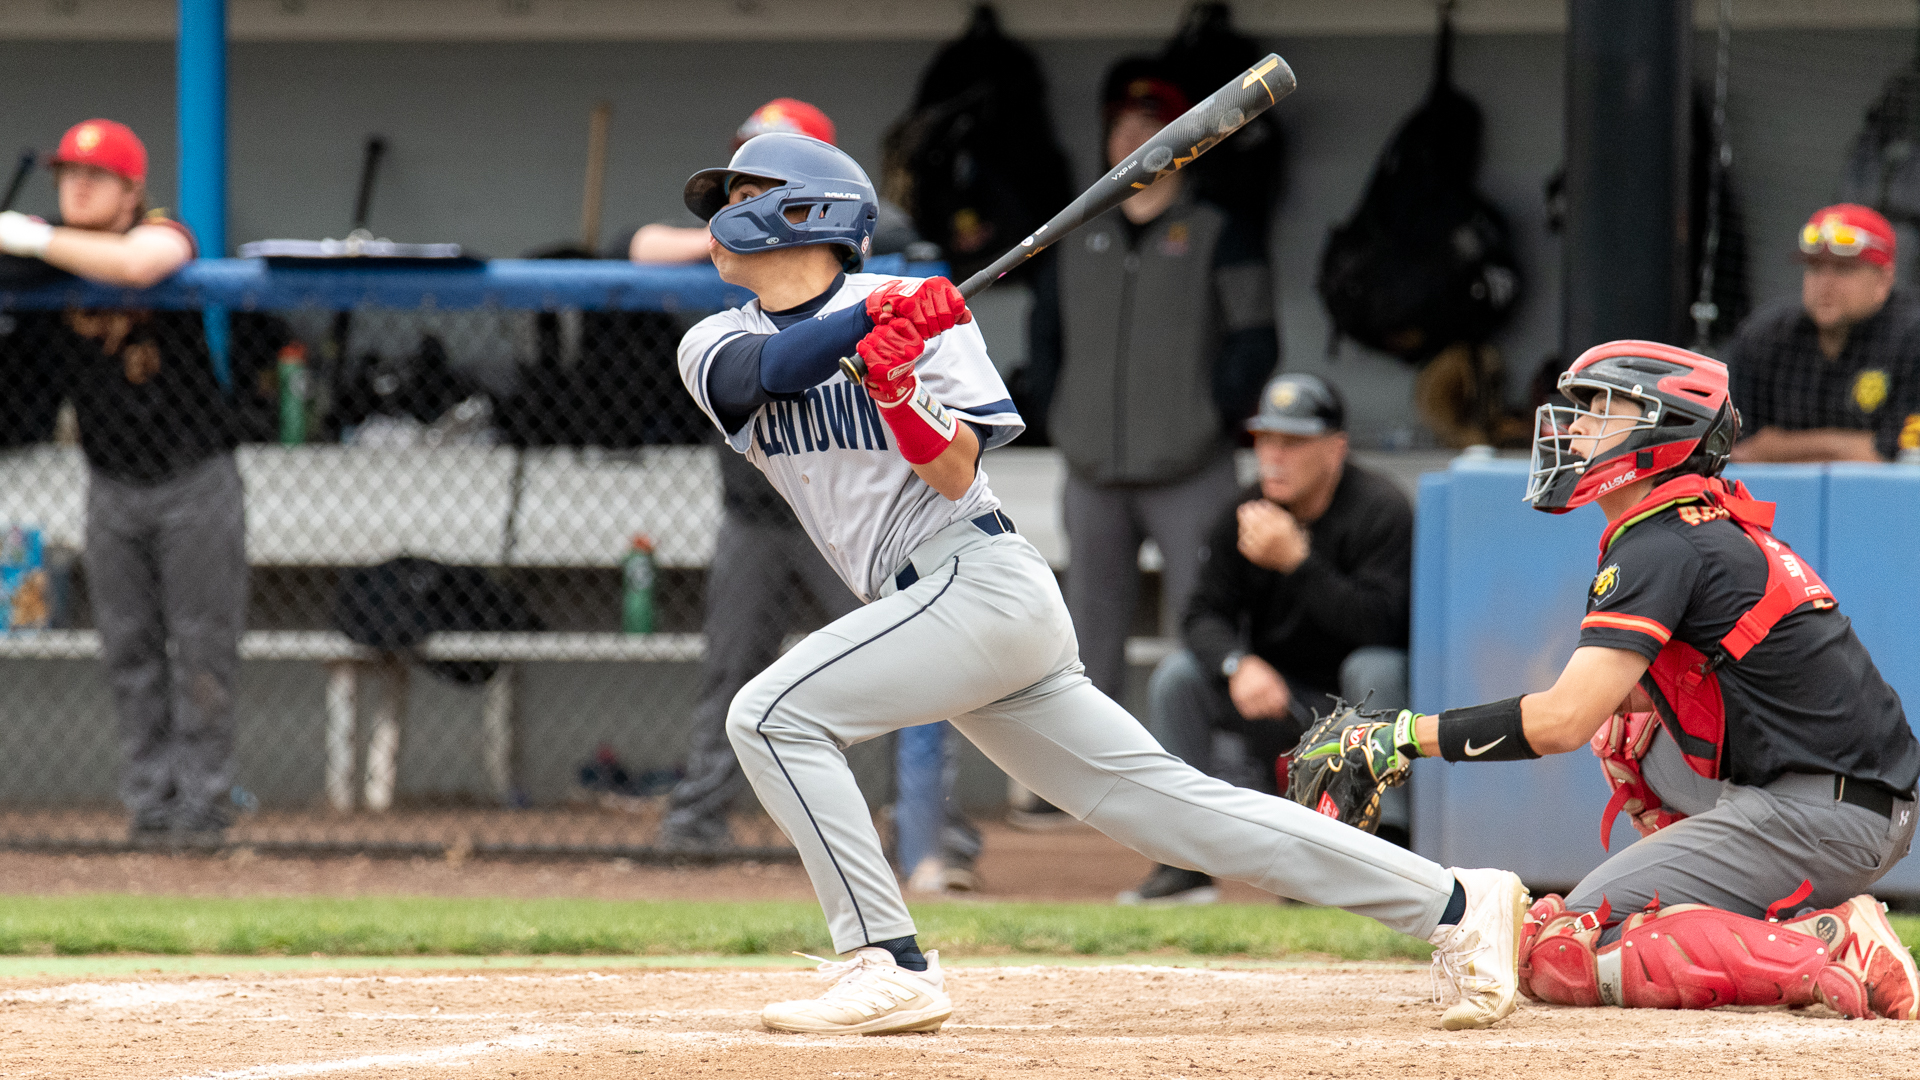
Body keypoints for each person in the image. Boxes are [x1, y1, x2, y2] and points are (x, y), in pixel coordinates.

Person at [673, 129, 1527, 1036]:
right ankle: (1457, 902)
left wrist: (898, 389)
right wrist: (865, 333)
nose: (714, 223)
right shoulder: (717, 338)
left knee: (770, 715)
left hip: (978, 582)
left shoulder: (918, 311)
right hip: (926, 611)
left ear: (801, 211)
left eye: (735, 197)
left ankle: (886, 961)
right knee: (1174, 815)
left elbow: (956, 471)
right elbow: (764, 374)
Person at [1298, 339, 1919, 1019]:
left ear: (1662, 427)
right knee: (1628, 725)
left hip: (1822, 813)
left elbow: (1561, 720)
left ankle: (1824, 946)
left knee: (1554, 952)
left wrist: (1401, 737)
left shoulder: (1661, 542)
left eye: (1602, 409)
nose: (1577, 427)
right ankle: (1734, 908)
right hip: (1844, 798)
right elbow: (1597, 707)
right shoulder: (1693, 521)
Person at [639, 101, 980, 888]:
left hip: (866, 518)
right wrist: (735, 233)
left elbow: (905, 259)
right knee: (735, 676)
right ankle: (698, 821)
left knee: (916, 670)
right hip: (756, 511)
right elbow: (648, 250)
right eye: (738, 181)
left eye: (763, 181)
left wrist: (892, 297)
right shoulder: (720, 312)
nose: (740, 205)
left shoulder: (877, 235)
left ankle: (936, 836)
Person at [0, 119, 245, 843]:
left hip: (194, 476)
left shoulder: (164, 233)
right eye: (68, 173)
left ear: (131, 189)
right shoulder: (45, 250)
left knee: (202, 648)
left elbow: (142, 265)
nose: (76, 185)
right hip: (110, 483)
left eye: (95, 175)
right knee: (129, 651)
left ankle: (203, 809)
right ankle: (150, 808)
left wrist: (30, 238)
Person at [1025, 62, 1280, 703]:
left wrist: (1211, 419)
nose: (1135, 140)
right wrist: (1064, 418)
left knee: (1205, 623)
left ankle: (1205, 779)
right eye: (1124, 128)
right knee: (1085, 635)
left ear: (1184, 139)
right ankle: (1091, 786)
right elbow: (1043, 339)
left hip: (1192, 469)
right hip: (1092, 470)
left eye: (1152, 127)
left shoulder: (1222, 231)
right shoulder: (1073, 231)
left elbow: (1255, 341)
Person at [1119, 372, 1413, 906]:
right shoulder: (1243, 512)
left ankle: (1385, 843)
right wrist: (1238, 664)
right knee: (1178, 679)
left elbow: (1384, 624)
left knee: (1376, 665)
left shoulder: (1381, 510)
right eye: (1265, 440)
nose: (1273, 456)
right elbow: (1202, 616)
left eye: (1293, 442)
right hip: (1280, 700)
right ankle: (1181, 862)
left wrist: (1297, 562)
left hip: (1361, 706)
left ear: (1335, 449)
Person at [1726, 203, 1920, 463]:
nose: (1825, 284)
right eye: (1815, 268)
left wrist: (1776, 447)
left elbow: (1902, 454)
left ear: (1883, 280)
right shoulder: (1765, 335)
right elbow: (1736, 448)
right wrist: (1848, 446)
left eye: (1844, 269)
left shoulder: (1911, 337)